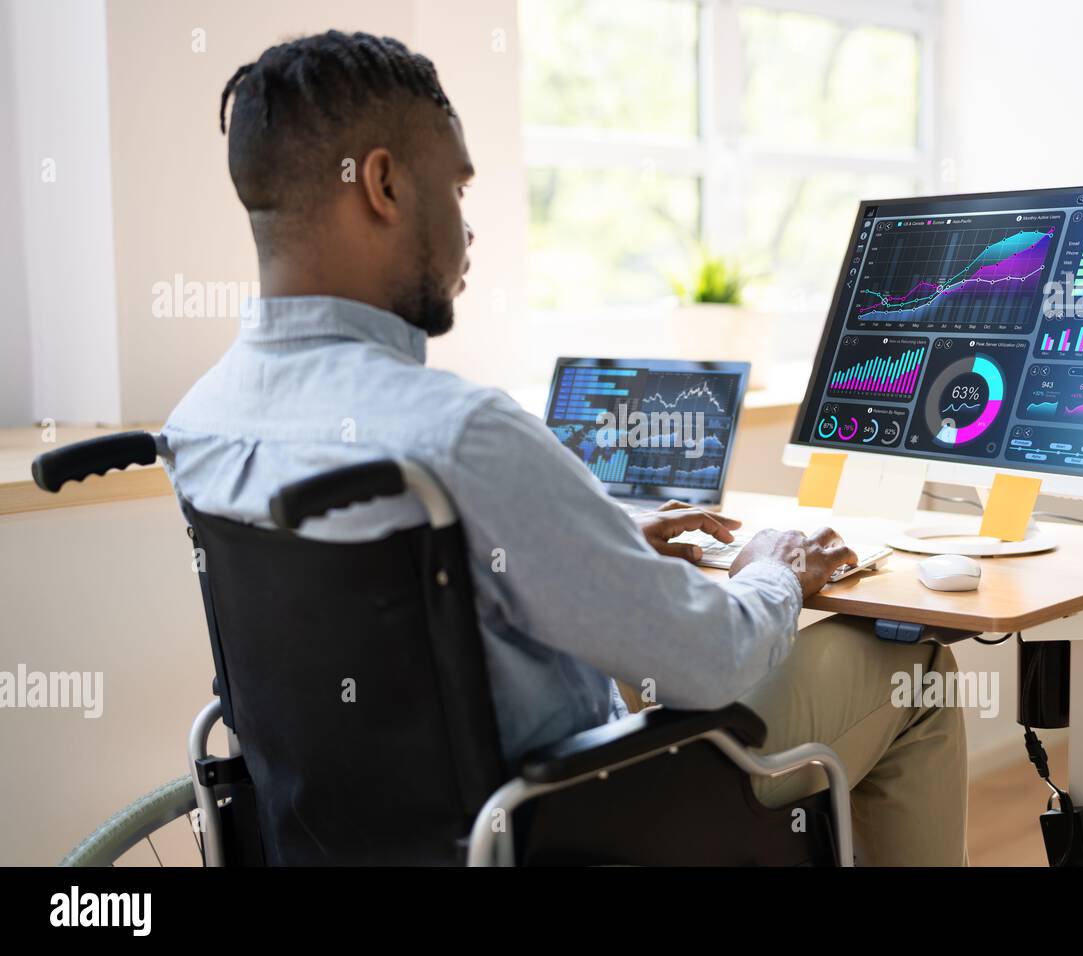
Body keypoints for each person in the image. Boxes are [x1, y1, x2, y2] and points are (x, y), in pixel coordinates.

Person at [163, 30, 967, 865]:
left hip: (355, 840)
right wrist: (776, 568)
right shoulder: (460, 431)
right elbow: (711, 659)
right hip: (582, 821)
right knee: (908, 667)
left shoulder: (199, 423)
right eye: (458, 188)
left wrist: (598, 546)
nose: (468, 230)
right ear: (384, 183)